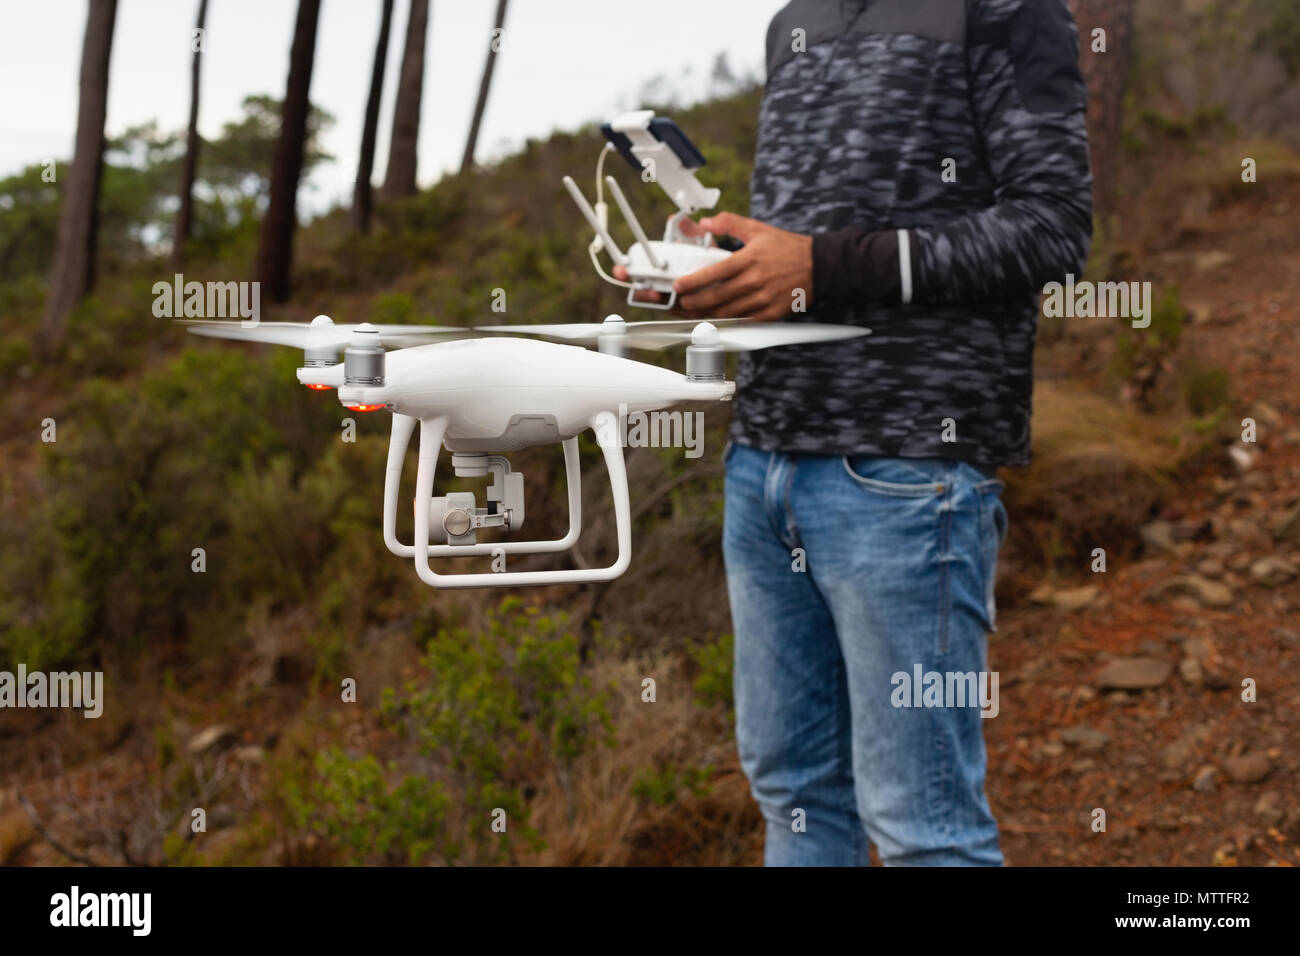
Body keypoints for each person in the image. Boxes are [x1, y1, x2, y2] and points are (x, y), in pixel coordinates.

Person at [630, 0, 1093, 865]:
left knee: (925, 829)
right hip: (763, 461)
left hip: (908, 470)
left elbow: (1054, 228)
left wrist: (819, 267)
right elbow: (800, 248)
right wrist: (728, 266)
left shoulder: (1008, 8)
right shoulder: (791, 23)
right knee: (796, 799)